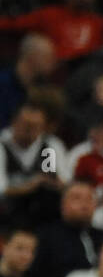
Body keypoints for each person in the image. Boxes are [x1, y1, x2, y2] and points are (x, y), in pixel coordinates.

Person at [29, 181, 103, 277]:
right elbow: (35, 275)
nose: (84, 204)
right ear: (63, 205)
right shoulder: (46, 236)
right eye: (77, 198)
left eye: (89, 199)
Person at [0, 98, 67, 229]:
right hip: (8, 215)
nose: (29, 130)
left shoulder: (49, 146)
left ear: (43, 128)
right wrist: (32, 185)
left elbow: (62, 182)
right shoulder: (2, 146)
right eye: (25, 124)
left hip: (43, 216)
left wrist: (48, 183)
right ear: (14, 123)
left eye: (35, 126)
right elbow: (1, 190)